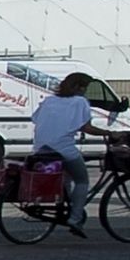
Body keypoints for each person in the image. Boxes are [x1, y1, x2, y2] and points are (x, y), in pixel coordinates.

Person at [29, 72, 98, 236]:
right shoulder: (80, 102)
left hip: (41, 149)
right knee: (82, 180)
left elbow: (35, 119)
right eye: (85, 87)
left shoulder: (49, 100)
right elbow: (86, 127)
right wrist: (110, 134)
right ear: (79, 87)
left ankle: (63, 205)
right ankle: (74, 218)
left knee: (66, 177)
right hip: (63, 149)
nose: (85, 91)